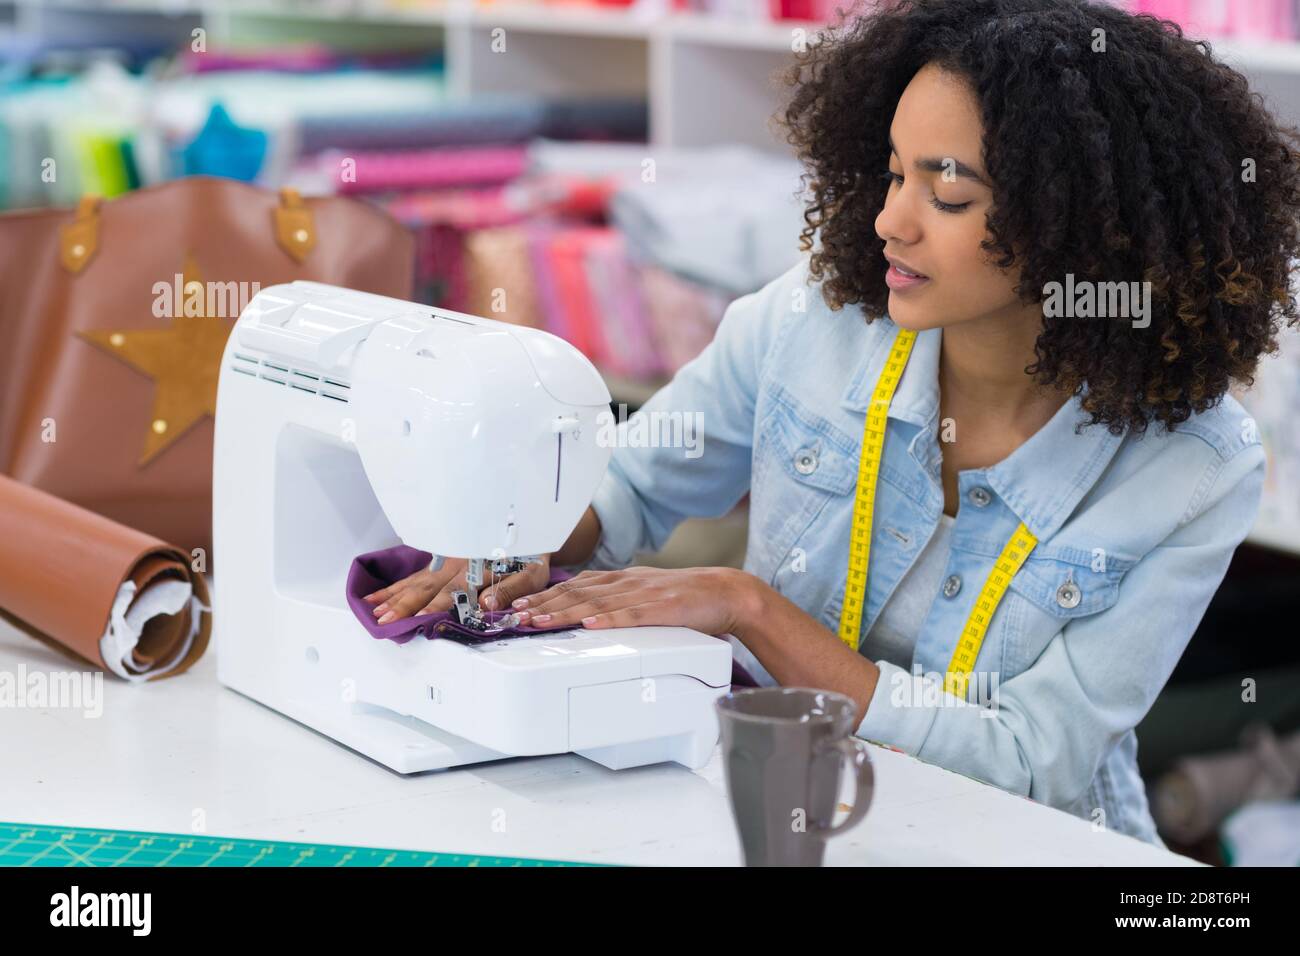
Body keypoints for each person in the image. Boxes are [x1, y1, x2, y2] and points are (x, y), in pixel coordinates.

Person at [364, 0, 1300, 845]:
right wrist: (514, 541)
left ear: (1086, 231)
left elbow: (1029, 762)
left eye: (948, 195)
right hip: (782, 808)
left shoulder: (1194, 467)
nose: (890, 221)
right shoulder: (810, 322)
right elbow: (631, 488)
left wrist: (751, 611)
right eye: (892, 174)